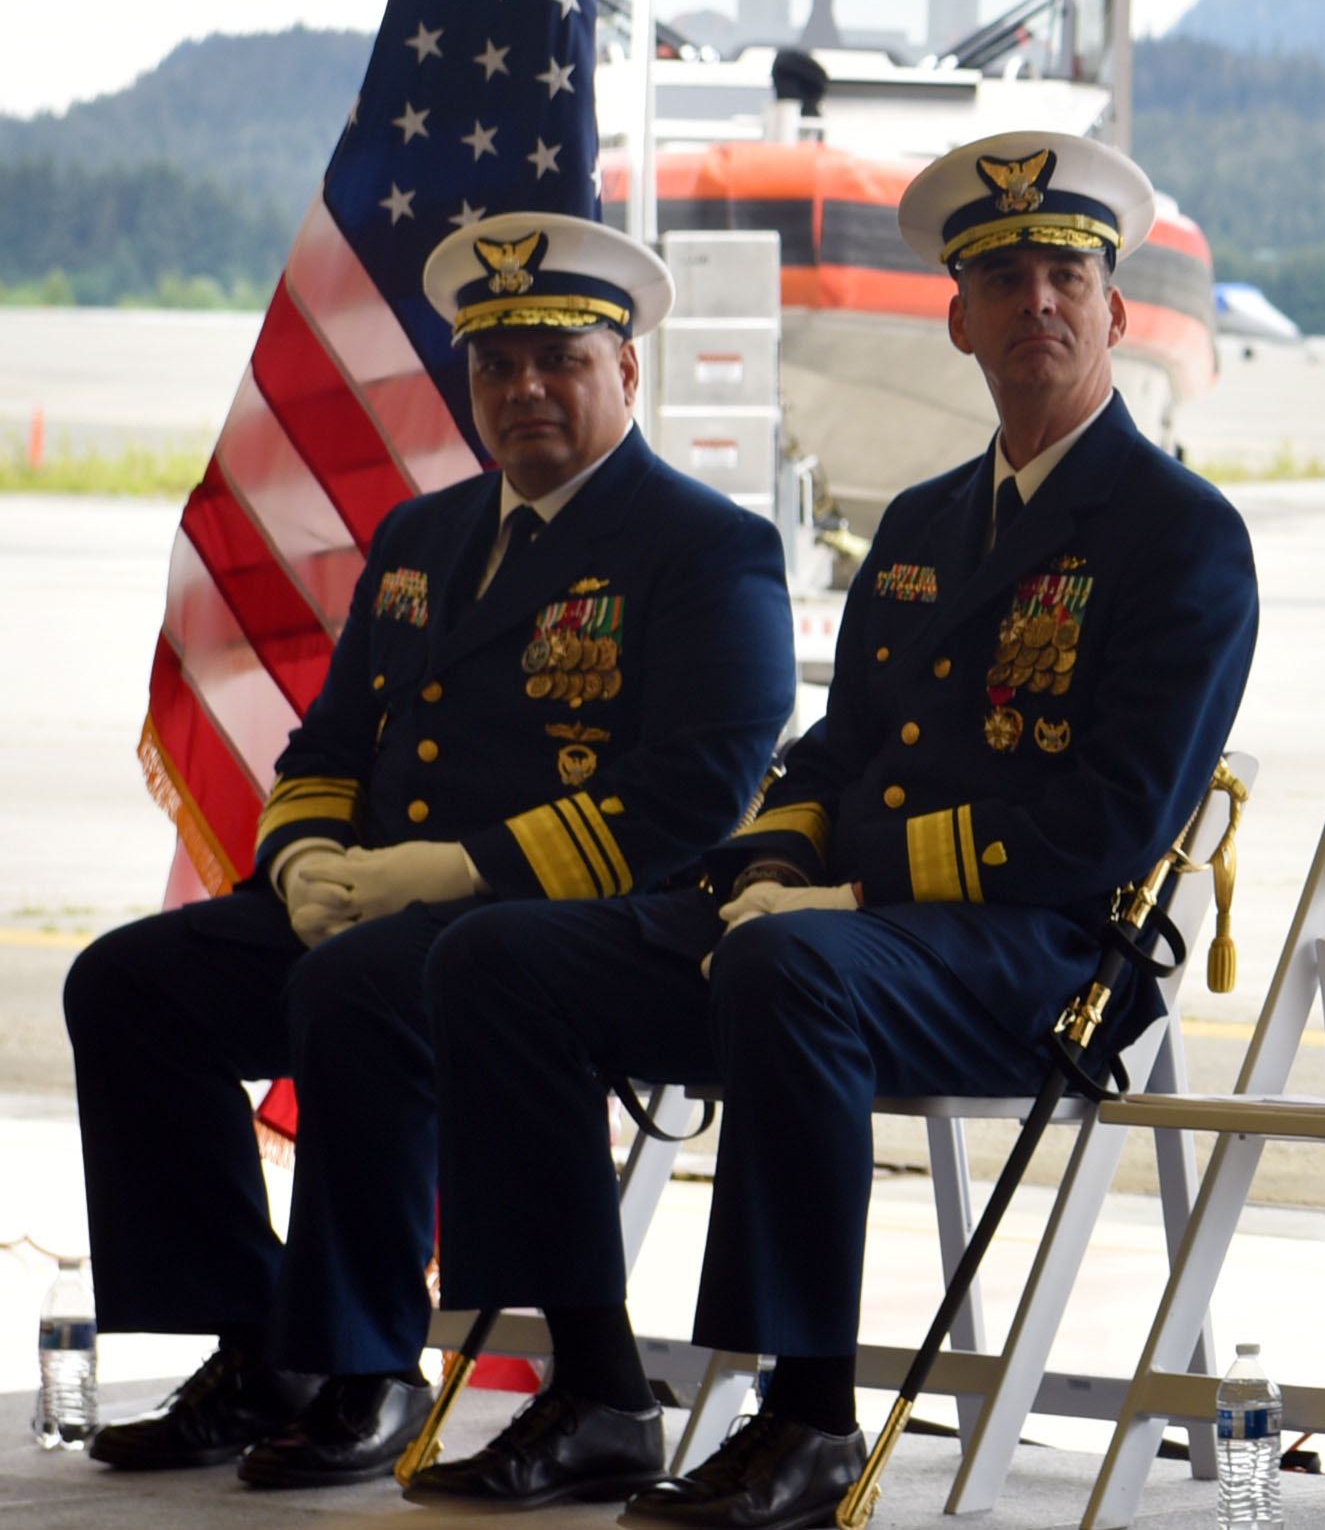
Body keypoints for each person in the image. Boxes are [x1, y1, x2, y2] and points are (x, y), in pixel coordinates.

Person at [409, 134, 1260, 1528]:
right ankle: (601, 1389)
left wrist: (846, 894)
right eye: (1002, 278)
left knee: (783, 972)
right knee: (498, 958)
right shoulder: (924, 525)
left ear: (1114, 311)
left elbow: (1109, 819)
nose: (1034, 300)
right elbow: (838, 750)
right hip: (848, 939)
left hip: (1043, 957)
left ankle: (802, 1415)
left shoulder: (1181, 536)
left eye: (1066, 274)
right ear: (958, 318)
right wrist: (769, 863)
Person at [68, 215, 793, 1485]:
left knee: (361, 988)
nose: (523, 390)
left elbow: (695, 793)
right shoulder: (425, 537)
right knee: (129, 985)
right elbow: (331, 747)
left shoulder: (707, 548)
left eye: (558, 359)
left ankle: (370, 1367)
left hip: (559, 924)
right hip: (368, 904)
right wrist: (304, 867)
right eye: (495, 365)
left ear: (628, 370)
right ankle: (263, 1343)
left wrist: (447, 874)